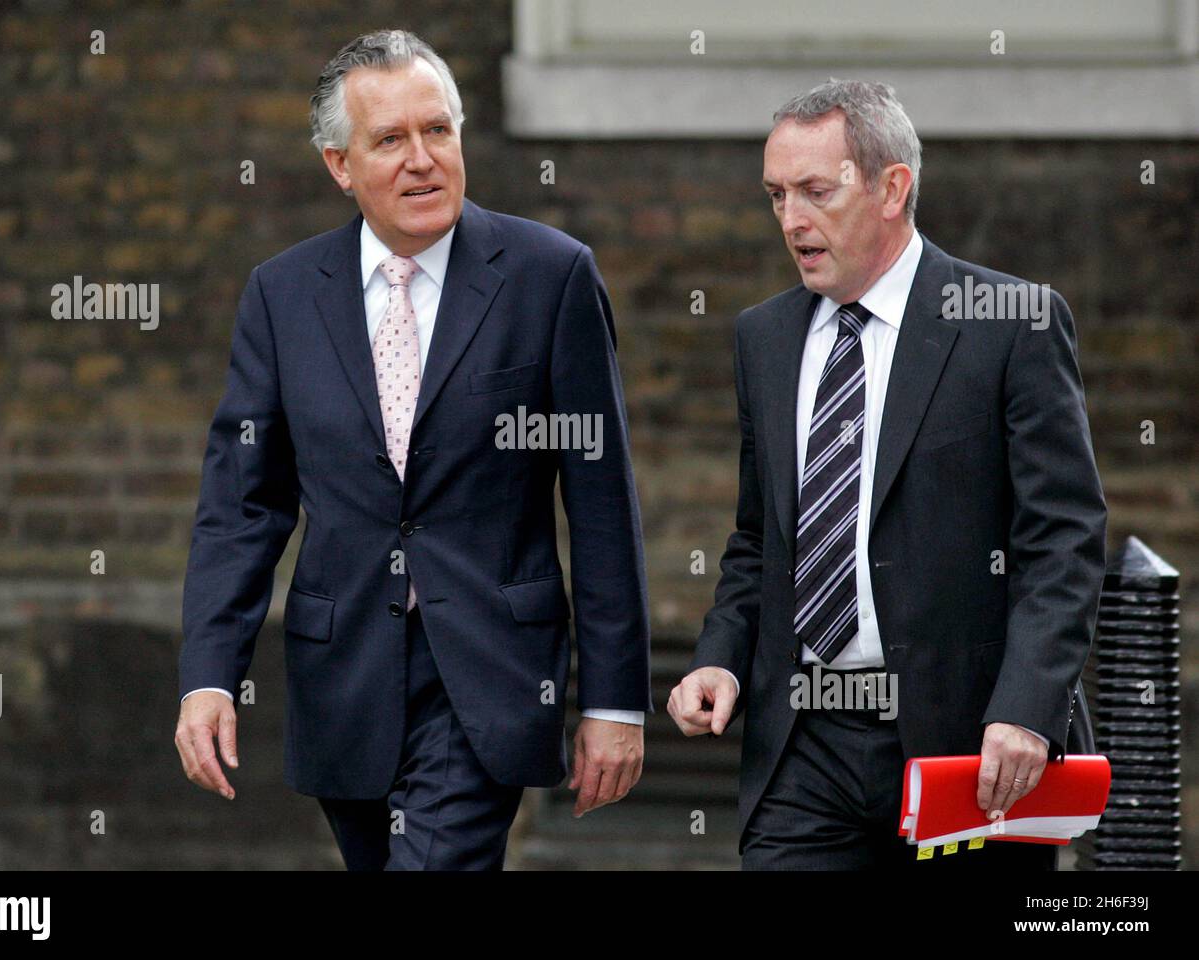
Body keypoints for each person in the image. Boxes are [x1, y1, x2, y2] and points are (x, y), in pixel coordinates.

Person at [175, 29, 651, 870]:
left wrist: (616, 701)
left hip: (489, 672)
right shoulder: (282, 296)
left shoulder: (550, 276)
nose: (422, 159)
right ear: (339, 165)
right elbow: (242, 507)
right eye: (390, 140)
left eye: (438, 131)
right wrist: (210, 675)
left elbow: (602, 502)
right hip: (344, 678)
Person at [668, 78, 1106, 870]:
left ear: (892, 188)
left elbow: (1064, 541)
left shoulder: (1011, 324)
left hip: (968, 750)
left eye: (814, 191)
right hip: (805, 744)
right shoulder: (763, 338)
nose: (791, 221)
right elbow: (759, 537)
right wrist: (718, 656)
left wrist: (1025, 710)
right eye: (775, 195)